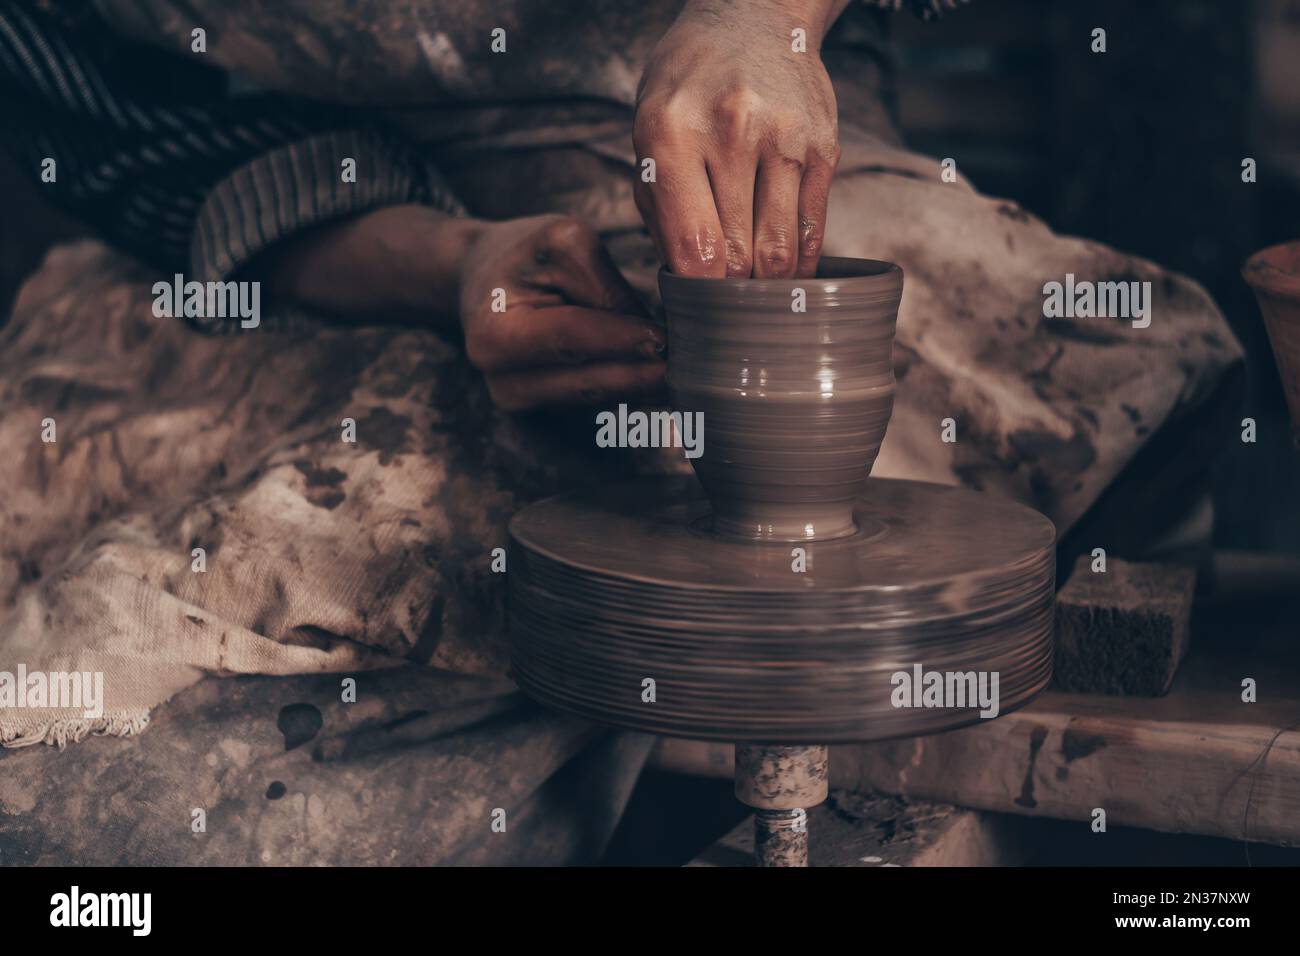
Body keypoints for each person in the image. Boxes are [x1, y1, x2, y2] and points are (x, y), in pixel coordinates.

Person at [0, 0, 1239, 865]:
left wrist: (765, 14)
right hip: (299, 253)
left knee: (1082, 365)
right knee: (73, 767)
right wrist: (449, 266)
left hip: (763, 185)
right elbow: (117, 135)